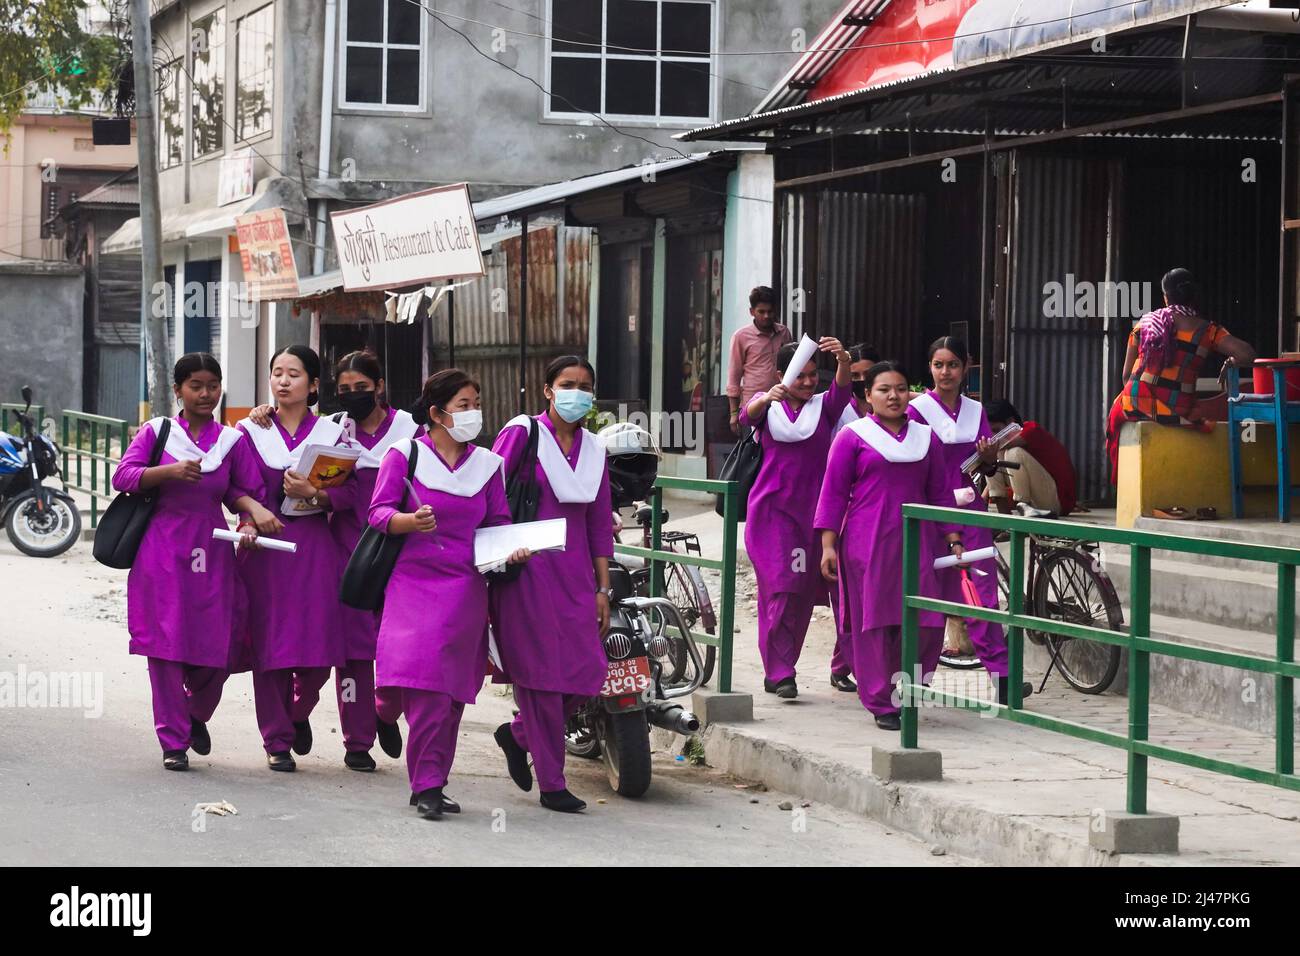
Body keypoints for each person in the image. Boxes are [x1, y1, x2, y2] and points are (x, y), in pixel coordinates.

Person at [249, 351, 421, 771]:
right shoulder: (332, 429)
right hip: (344, 548)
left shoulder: (408, 432)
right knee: (350, 649)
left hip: (401, 548)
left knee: (406, 646)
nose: (353, 396)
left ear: (379, 386)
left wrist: (316, 493)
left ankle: (382, 712)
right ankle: (351, 739)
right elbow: (250, 480)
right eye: (344, 390)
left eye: (361, 388)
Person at [370, 369, 528, 819]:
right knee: (426, 690)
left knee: (451, 694)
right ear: (437, 412)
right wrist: (408, 521)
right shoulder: (404, 456)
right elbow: (378, 512)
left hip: (465, 587)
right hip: (413, 583)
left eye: (475, 401)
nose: (473, 411)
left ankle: (433, 780)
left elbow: (497, 521)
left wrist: (512, 549)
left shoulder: (487, 465)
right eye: (463, 403)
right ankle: (427, 785)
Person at [111, 353, 276, 770]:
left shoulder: (231, 441)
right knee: (166, 646)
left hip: (213, 546)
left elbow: (245, 490)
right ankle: (172, 742)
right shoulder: (158, 432)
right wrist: (166, 473)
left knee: (219, 641)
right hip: (162, 550)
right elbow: (123, 476)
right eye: (196, 386)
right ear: (178, 391)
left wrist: (249, 521)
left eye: (213, 386)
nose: (206, 394)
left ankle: (194, 713)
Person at [490, 354, 614, 814]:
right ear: (548, 389)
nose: (576, 393)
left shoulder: (595, 449)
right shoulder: (522, 433)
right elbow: (491, 493)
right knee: (542, 679)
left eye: (585, 385)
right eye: (567, 383)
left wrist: (603, 589)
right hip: (527, 571)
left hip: (577, 575)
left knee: (586, 672)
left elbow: (599, 523)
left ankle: (518, 735)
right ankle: (552, 783)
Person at [815, 362, 964, 730]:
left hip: (920, 541)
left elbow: (940, 492)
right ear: (868, 396)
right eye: (884, 389)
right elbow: (833, 494)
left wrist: (954, 538)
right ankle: (883, 701)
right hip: (868, 542)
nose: (893, 396)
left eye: (900, 388)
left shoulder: (926, 438)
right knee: (876, 621)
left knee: (925, 620)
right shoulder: (852, 437)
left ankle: (910, 691)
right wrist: (828, 545)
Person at [237, 345, 354, 772]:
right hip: (265, 551)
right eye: (277, 373)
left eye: (294, 374)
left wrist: (317, 494)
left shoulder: (333, 435)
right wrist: (249, 518)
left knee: (319, 649)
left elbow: (352, 492)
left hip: (315, 550)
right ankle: (277, 741)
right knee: (270, 649)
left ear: (314, 384)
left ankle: (297, 712)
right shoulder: (250, 431)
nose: (283, 381)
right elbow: (236, 486)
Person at [908, 336, 1031, 705]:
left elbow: (985, 468)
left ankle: (1004, 679)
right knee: (927, 599)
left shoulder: (976, 411)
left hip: (971, 511)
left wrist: (990, 456)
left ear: (967, 367)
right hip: (932, 513)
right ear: (929, 368)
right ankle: (917, 678)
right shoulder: (917, 411)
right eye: (939, 365)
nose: (946, 372)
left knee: (981, 598)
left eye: (953, 365)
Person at [745, 335, 852, 699]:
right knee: (780, 589)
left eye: (813, 375)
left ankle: (785, 669)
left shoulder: (825, 406)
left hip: (815, 514)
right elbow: (747, 415)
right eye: (800, 375)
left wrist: (843, 361)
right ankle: (778, 670)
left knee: (803, 593)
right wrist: (765, 397)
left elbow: (842, 387)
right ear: (781, 374)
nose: (808, 383)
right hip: (772, 513)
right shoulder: (768, 407)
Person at [1105, 268, 1255, 483]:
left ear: (1165, 297)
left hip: (1136, 402)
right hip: (1180, 408)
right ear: (1194, 297)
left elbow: (1127, 376)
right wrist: (1231, 361)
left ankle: (1120, 484)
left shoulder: (1146, 323)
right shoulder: (1209, 331)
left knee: (1117, 408)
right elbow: (1247, 354)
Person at [824, 343, 880, 693]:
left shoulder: (894, 410)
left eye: (866, 375)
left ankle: (848, 663)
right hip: (844, 511)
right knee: (846, 597)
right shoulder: (837, 410)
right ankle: (856, 666)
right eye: (854, 375)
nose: (861, 382)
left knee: (870, 597)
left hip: (879, 515)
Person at [984, 399, 1077, 518]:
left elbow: (997, 447)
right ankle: (1004, 514)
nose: (992, 435)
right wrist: (985, 496)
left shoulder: (1032, 430)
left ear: (1011, 422)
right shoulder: (1001, 446)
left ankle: (1023, 505)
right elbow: (994, 462)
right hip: (1039, 498)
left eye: (996, 430)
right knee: (991, 456)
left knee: (1011, 452)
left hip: (1057, 503)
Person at [726, 286, 793, 435]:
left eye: (770, 311)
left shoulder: (783, 333)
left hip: (781, 404)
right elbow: (733, 377)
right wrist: (733, 414)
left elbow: (792, 366)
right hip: (753, 407)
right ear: (752, 312)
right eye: (761, 312)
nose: (766, 316)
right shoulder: (741, 337)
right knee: (752, 453)